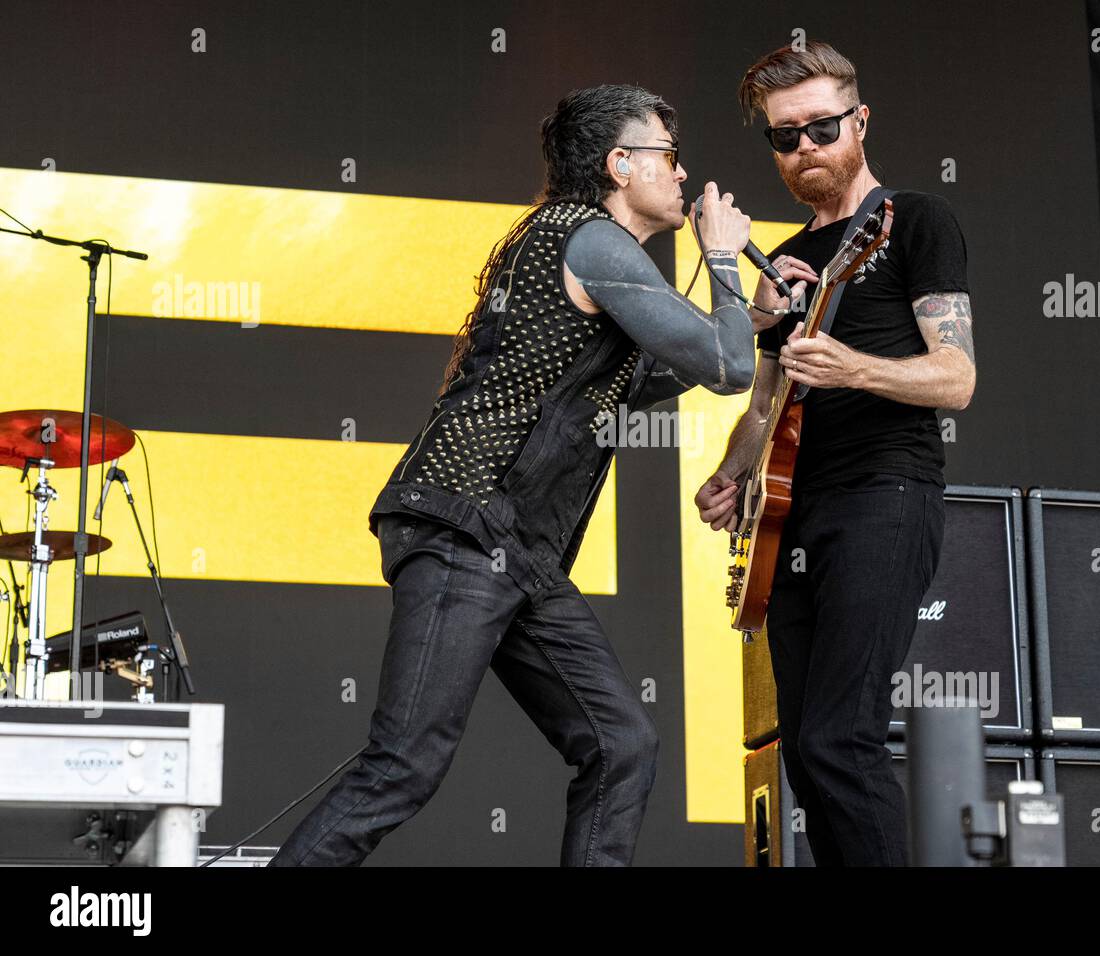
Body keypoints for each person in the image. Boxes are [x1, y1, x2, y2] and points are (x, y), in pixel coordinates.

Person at [270, 84, 756, 866]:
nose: (681, 171)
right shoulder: (593, 241)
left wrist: (746, 315)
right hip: (468, 523)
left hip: (515, 550)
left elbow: (644, 379)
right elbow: (730, 368)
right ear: (620, 164)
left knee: (620, 745)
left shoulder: (586, 247)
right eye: (667, 153)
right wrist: (724, 261)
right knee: (401, 768)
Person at [695, 41, 977, 866]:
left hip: (884, 497)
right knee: (808, 757)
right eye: (785, 137)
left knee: (839, 737)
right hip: (788, 519)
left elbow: (957, 377)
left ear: (859, 120)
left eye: (821, 128)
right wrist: (731, 474)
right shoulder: (784, 264)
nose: (805, 148)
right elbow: (763, 404)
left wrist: (854, 366)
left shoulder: (915, 221)